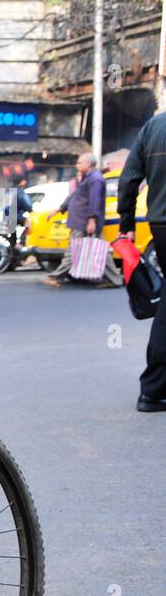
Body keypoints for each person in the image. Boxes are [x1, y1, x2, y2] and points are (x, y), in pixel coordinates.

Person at [117, 113, 166, 412]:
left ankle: (154, 389)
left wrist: (126, 221)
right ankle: (154, 389)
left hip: (160, 225)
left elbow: (129, 179)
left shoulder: (154, 126)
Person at [43, 153, 121, 288]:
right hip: (82, 220)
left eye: (80, 163)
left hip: (84, 222)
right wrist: (60, 209)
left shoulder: (96, 179)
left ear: (89, 164)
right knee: (102, 251)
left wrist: (91, 220)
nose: (77, 165)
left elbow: (94, 201)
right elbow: (75, 196)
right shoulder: (86, 178)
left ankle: (56, 277)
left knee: (73, 250)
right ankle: (115, 280)